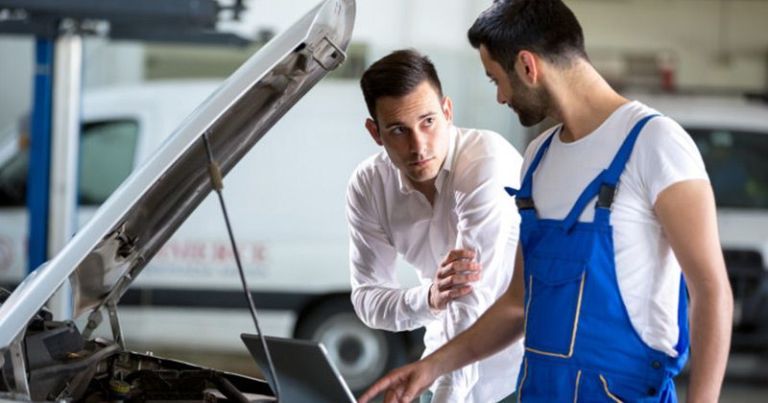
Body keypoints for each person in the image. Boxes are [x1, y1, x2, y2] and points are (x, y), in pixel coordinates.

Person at [359, 1, 733, 402]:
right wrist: (431, 367)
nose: (500, 97)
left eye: (494, 80)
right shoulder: (538, 159)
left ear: (527, 66)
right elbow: (518, 305)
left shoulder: (655, 143)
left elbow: (711, 290)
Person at [347, 49, 525, 402]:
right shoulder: (369, 184)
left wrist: (446, 394)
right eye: (398, 130)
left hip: (521, 371)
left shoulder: (484, 160)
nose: (418, 146)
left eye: (428, 121)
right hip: (439, 361)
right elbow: (367, 299)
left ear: (447, 111)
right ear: (375, 132)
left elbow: (471, 297)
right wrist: (427, 298)